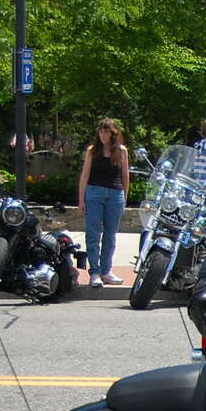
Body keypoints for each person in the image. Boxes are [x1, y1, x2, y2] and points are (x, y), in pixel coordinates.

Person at [76, 118, 130, 288]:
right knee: (93, 234)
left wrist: (124, 197)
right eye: (100, 131)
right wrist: (81, 199)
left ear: (113, 134)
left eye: (106, 132)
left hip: (115, 193)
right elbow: (84, 176)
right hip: (94, 192)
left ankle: (107, 271)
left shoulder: (121, 151)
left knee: (110, 235)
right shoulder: (92, 151)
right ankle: (95, 272)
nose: (103, 135)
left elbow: (125, 175)